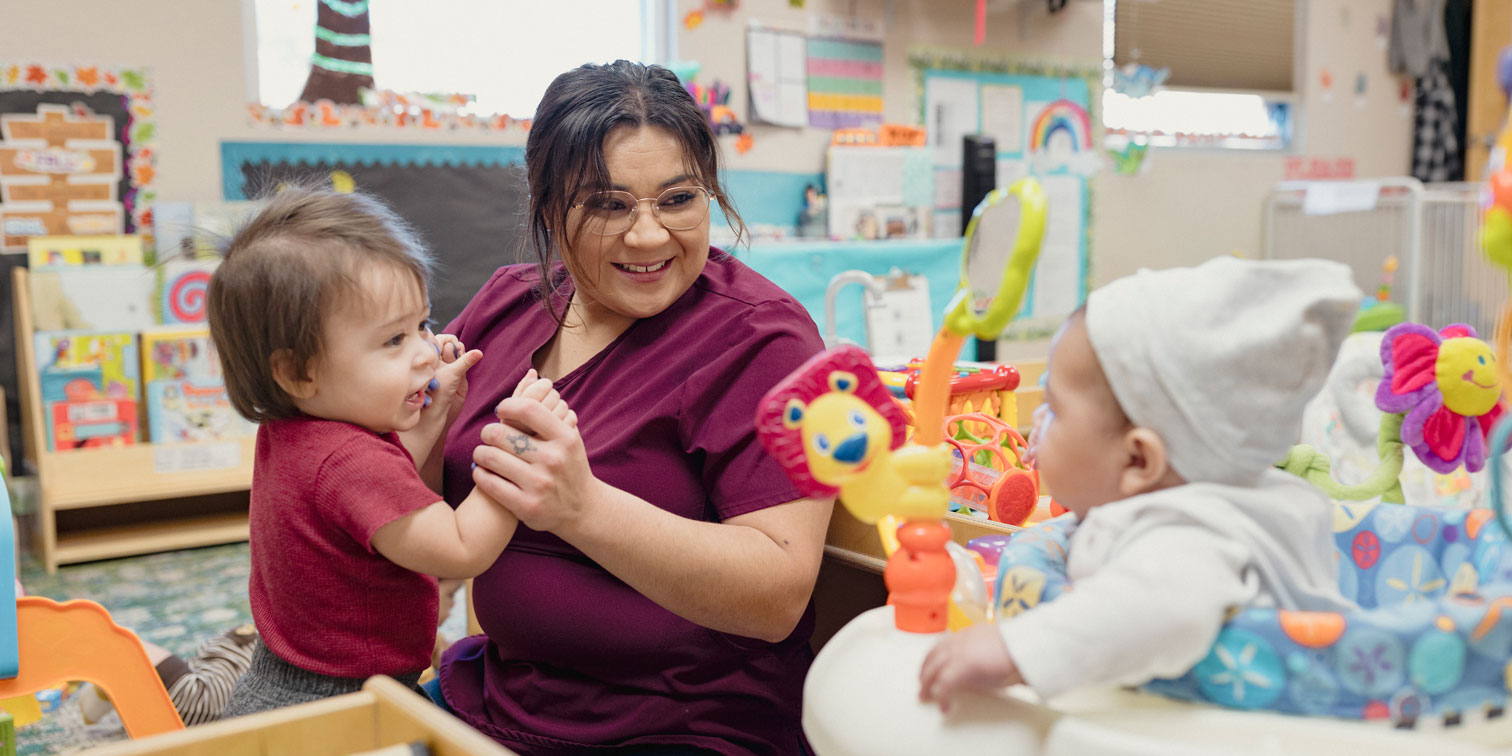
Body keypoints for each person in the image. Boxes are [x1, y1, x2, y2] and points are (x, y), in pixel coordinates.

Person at [426, 61, 831, 755]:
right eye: (609, 205)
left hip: (684, 728)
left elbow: (777, 596)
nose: (648, 237)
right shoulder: (507, 303)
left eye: (677, 200)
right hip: (496, 697)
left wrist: (582, 508)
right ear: (549, 206)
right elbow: (420, 487)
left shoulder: (762, 338)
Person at [919, 257, 1362, 711]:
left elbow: (1163, 612)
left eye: (1053, 407)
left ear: (1137, 459)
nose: (1037, 421)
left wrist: (1018, 648)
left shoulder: (1187, 532)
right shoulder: (1223, 497)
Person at [205, 187, 575, 715]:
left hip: (288, 680)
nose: (426, 351)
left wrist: (437, 409)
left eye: (421, 325)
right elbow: (462, 547)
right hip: (338, 708)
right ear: (297, 371)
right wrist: (517, 450)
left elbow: (388, 481)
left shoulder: (299, 431)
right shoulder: (349, 461)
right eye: (393, 341)